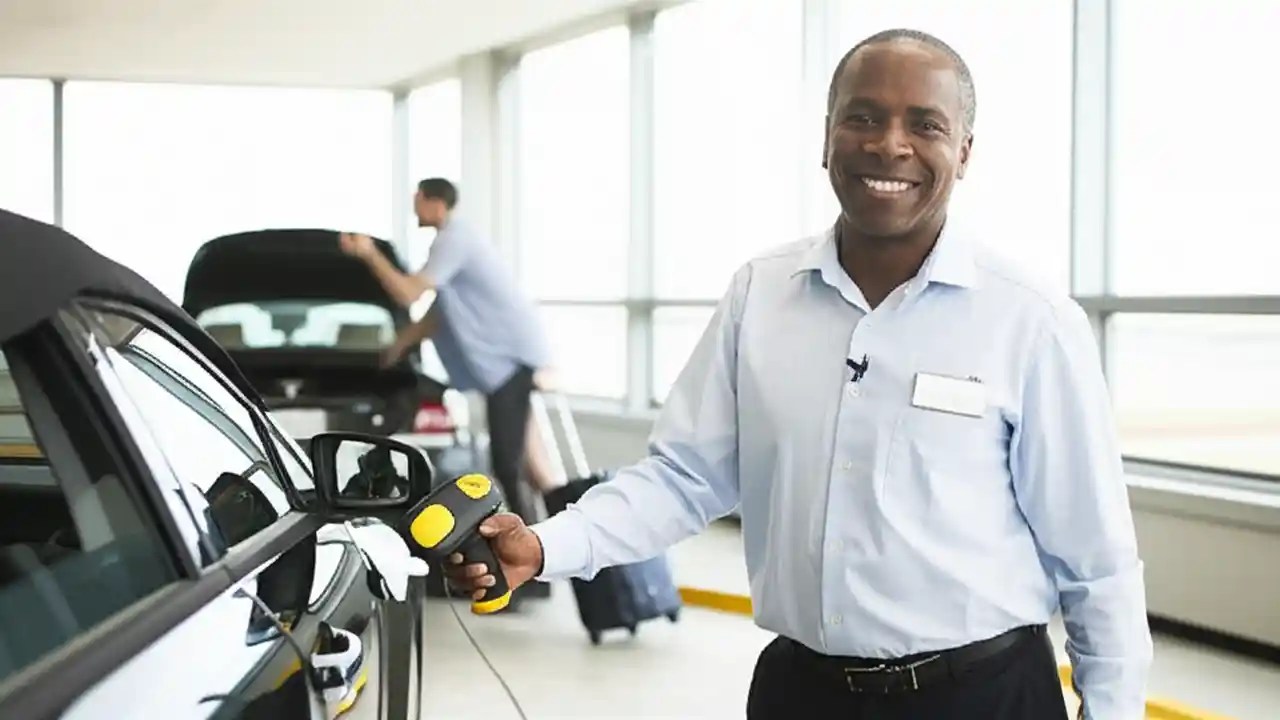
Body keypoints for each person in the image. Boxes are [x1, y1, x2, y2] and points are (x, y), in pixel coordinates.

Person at [446, 28, 1153, 719]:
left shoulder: (1029, 319)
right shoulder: (761, 293)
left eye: (925, 124)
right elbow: (684, 478)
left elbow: (1096, 562)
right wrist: (544, 546)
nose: (889, 144)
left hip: (984, 695)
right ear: (826, 138)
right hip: (800, 692)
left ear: (963, 152)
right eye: (863, 117)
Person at [338, 178, 556, 531]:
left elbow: (409, 295)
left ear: (435, 203)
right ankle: (549, 544)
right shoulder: (452, 242)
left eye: (418, 200)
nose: (414, 208)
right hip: (504, 365)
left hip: (509, 363)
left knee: (508, 463)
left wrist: (368, 253)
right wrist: (396, 349)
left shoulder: (456, 239)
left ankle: (531, 556)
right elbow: (437, 315)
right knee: (531, 466)